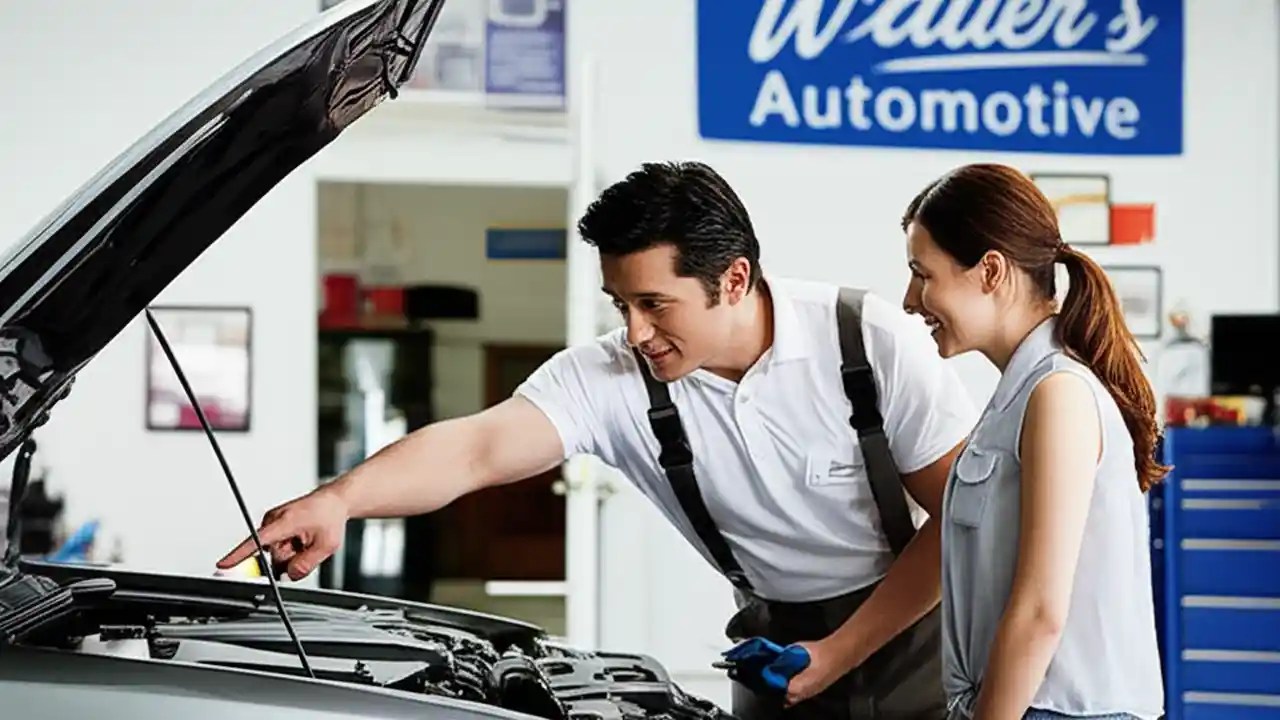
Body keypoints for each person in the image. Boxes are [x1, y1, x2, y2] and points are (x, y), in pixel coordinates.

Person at [218, 160, 978, 719]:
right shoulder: (611, 377)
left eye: (655, 303)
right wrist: (342, 499)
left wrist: (843, 653)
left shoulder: (867, 341)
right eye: (621, 303)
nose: (635, 332)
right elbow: (478, 448)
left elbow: (959, 525)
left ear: (736, 280)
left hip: (914, 631)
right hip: (775, 645)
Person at [898, 163, 1166, 720]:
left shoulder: (1057, 394)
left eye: (922, 274)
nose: (909, 299)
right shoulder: (1019, 397)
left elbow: (1040, 610)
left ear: (990, 271)